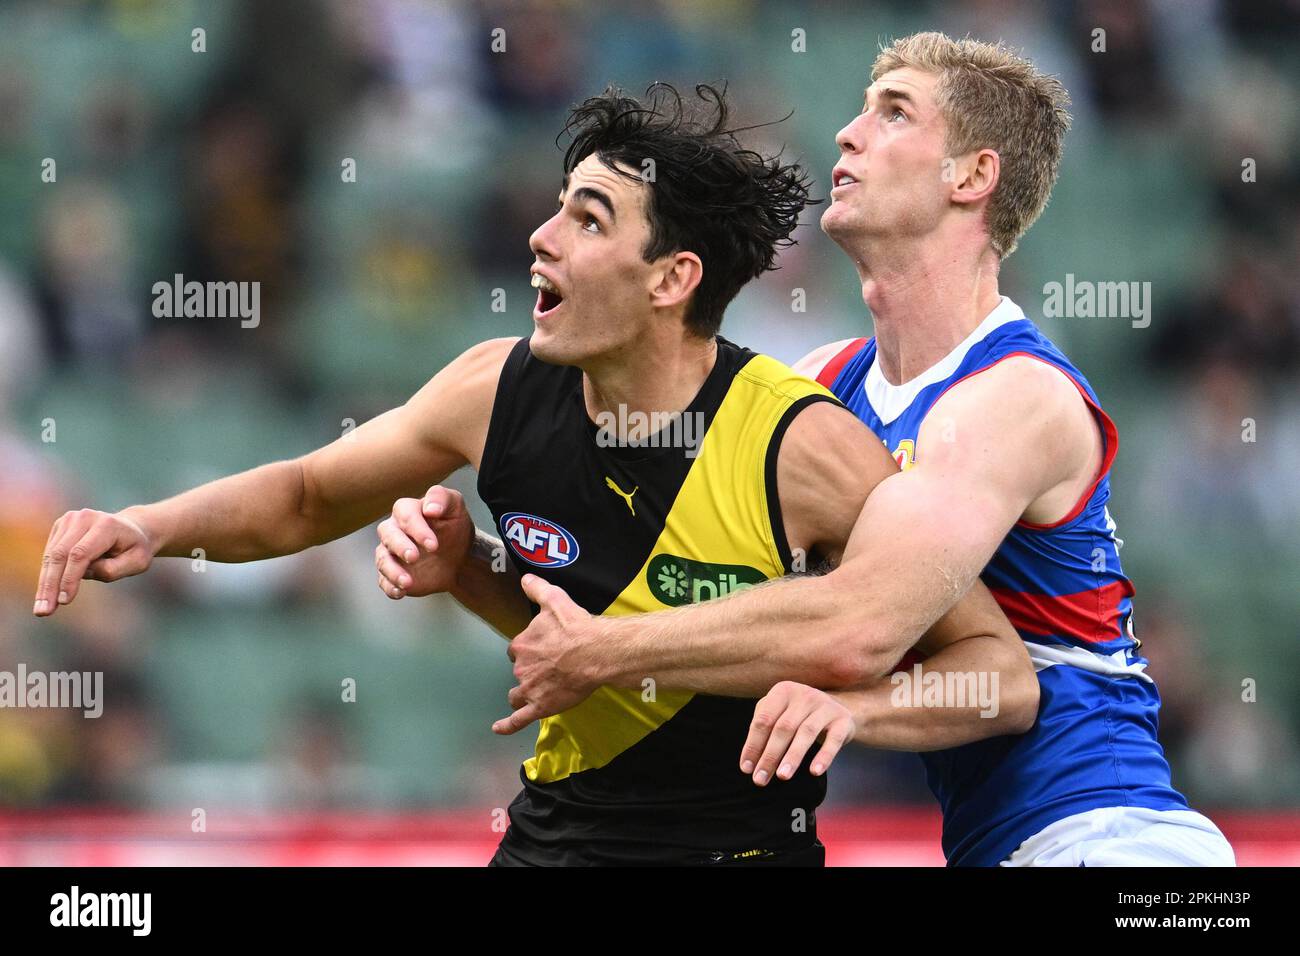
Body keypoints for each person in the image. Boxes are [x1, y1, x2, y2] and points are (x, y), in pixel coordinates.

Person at [33, 83, 1035, 866]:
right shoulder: (492, 390)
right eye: (557, 207)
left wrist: (856, 709)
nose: (539, 237)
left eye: (588, 219)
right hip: (551, 839)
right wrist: (153, 523)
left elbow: (997, 676)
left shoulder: (798, 448)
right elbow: (305, 495)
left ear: (671, 277)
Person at [411, 34, 1235, 867]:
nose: (848, 132)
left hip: (1110, 831)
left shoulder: (1014, 396)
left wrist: (856, 710)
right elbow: (675, 609)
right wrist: (476, 567)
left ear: (971, 177)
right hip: (994, 843)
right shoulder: (818, 392)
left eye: (895, 112)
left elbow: (866, 629)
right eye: (860, 108)